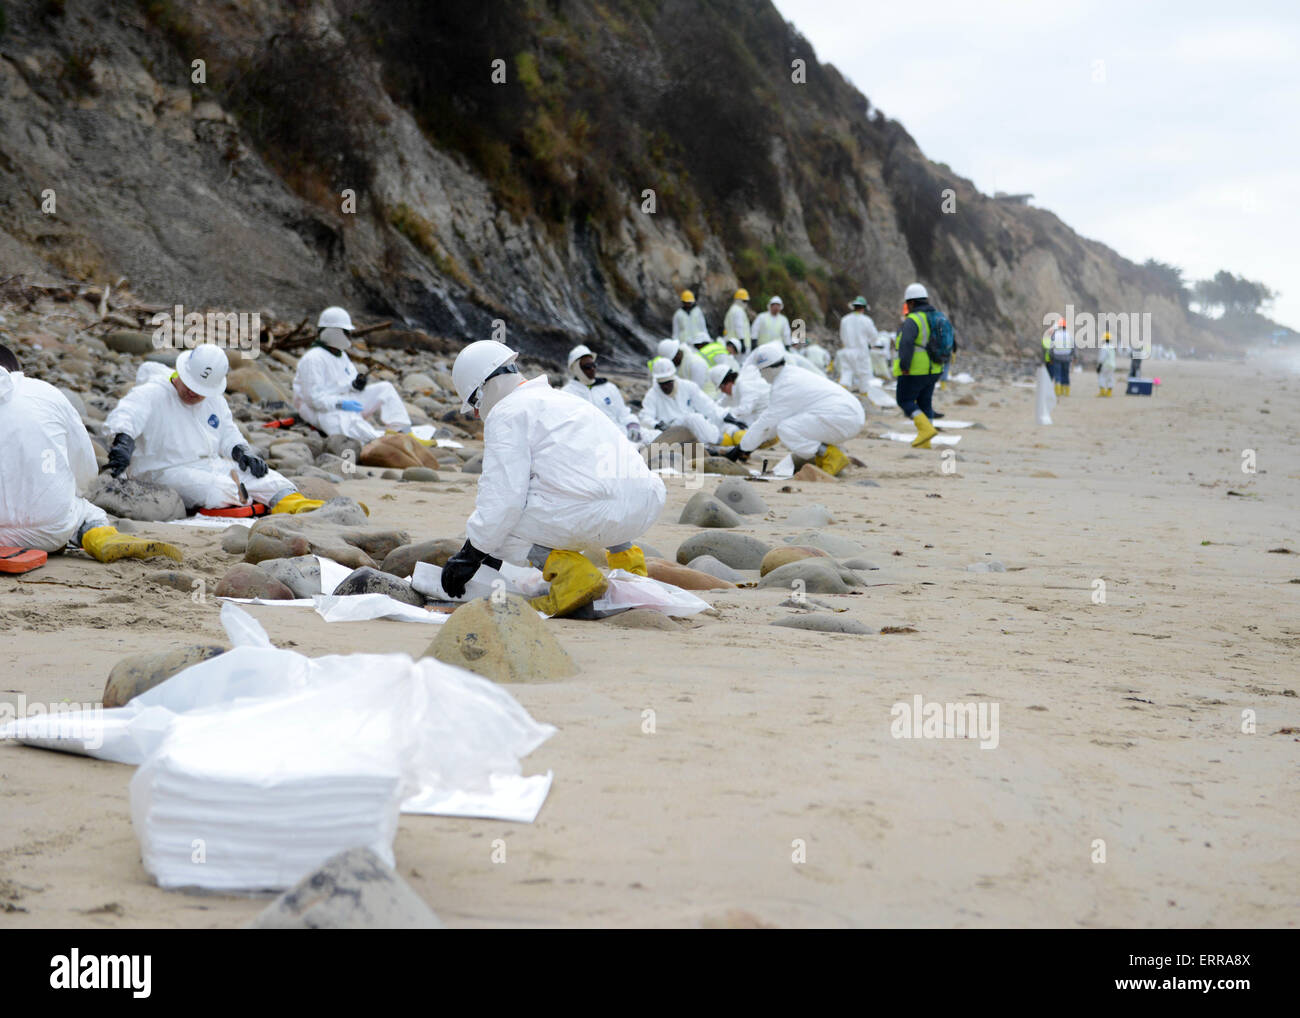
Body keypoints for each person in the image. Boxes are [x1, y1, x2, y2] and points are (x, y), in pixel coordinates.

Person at [439, 340, 666, 618]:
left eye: (474, 401)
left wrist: (470, 555)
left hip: (599, 513)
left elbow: (503, 500)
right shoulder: (566, 400)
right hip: (645, 504)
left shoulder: (507, 412)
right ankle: (632, 572)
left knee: (500, 527)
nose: (476, 412)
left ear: (487, 386)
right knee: (589, 484)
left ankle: (575, 578)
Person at [0, 344, 181, 563]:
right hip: (48, 531)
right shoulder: (43, 392)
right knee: (84, 511)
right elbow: (84, 463)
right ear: (16, 371)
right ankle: (99, 537)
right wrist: (78, 489)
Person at [104, 345, 323, 514]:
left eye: (200, 390)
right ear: (182, 372)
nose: (193, 393)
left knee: (267, 478)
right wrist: (123, 441)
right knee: (220, 489)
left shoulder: (214, 400)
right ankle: (251, 504)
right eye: (190, 385)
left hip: (207, 464)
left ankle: (299, 509)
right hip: (162, 470)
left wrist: (241, 451)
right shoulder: (151, 392)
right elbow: (125, 416)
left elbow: (227, 432)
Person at [728, 344, 864, 476]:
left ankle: (831, 456)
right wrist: (749, 446)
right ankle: (826, 457)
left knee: (786, 429)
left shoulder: (784, 385)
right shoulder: (792, 374)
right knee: (794, 424)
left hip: (843, 418)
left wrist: (742, 448)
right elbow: (771, 425)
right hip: (848, 415)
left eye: (761, 371)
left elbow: (767, 422)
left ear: (768, 369)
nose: (761, 375)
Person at [292, 306, 413, 441]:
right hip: (321, 410)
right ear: (334, 332)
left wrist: (356, 384)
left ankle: (403, 432)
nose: (349, 336)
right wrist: (341, 404)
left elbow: (346, 384)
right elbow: (314, 400)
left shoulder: (341, 355)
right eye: (346, 332)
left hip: (344, 401)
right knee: (349, 424)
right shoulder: (313, 358)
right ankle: (380, 441)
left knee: (385, 388)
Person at [891, 283, 947, 448]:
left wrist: (904, 365)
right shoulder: (937, 317)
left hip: (915, 369)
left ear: (911, 303)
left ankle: (925, 430)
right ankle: (926, 442)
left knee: (904, 400)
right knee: (925, 402)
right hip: (935, 368)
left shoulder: (913, 319)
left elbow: (906, 343)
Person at [639, 357, 739, 445]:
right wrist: (656, 424)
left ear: (673, 377)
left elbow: (707, 405)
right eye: (662, 383)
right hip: (670, 430)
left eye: (668, 382)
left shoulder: (688, 386)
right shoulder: (652, 395)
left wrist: (723, 415)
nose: (666, 386)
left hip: (692, 427)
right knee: (647, 435)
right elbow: (646, 416)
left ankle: (721, 442)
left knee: (695, 418)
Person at [561, 344, 641, 443]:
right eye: (587, 367)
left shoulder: (609, 388)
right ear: (576, 368)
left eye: (593, 365)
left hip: (619, 438)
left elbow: (623, 413)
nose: (592, 369)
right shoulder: (567, 394)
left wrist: (632, 425)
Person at [837, 296, 878, 392]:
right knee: (864, 375)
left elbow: (842, 336)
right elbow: (874, 336)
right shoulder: (866, 320)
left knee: (846, 373)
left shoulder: (845, 320)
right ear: (863, 308)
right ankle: (864, 394)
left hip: (847, 350)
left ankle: (841, 393)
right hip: (862, 351)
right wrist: (871, 344)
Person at [1046, 316, 1074, 395]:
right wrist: (1074, 356)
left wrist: (1050, 358)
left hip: (1057, 357)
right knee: (1066, 373)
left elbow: (1051, 348)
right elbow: (1073, 347)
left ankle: (1058, 392)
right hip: (1067, 357)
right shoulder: (1069, 335)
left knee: (1057, 374)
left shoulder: (1055, 335)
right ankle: (1066, 392)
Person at [723, 289, 752, 354]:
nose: (746, 303)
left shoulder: (731, 310)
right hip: (738, 344)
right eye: (744, 301)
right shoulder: (738, 311)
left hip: (731, 344)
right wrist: (742, 341)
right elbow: (739, 327)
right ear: (738, 300)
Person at [1097, 331, 1116, 397]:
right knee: (1110, 378)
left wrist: (1099, 366)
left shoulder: (1104, 347)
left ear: (1104, 339)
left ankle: (1102, 392)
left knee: (1101, 377)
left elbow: (1102, 357)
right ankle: (1109, 393)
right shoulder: (1113, 348)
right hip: (1112, 365)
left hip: (1105, 365)